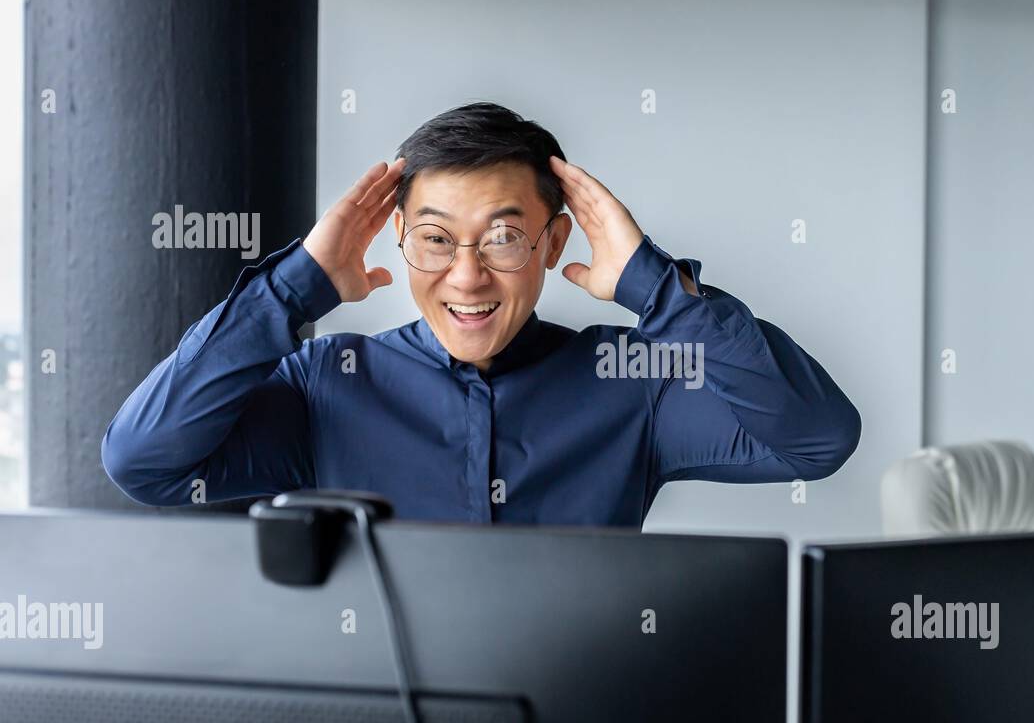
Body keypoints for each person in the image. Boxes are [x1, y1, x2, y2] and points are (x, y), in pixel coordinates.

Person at [102, 103, 861, 526]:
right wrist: (293, 288)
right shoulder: (325, 385)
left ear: (552, 240)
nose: (466, 276)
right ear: (400, 242)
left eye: (502, 236)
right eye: (434, 240)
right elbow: (145, 462)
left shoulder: (634, 385)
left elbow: (816, 439)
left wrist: (657, 289)